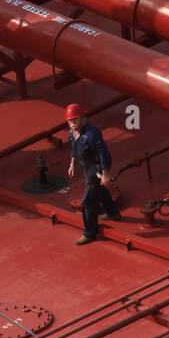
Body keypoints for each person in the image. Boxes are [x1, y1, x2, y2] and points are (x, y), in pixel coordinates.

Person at [65, 103, 121, 245]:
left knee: (88, 201)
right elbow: (73, 149)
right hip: (86, 167)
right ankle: (113, 212)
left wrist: (105, 174)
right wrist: (72, 164)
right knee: (100, 190)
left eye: (75, 119)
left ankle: (90, 233)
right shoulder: (72, 133)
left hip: (95, 169)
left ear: (83, 118)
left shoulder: (92, 134)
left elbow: (103, 154)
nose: (72, 123)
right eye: (70, 120)